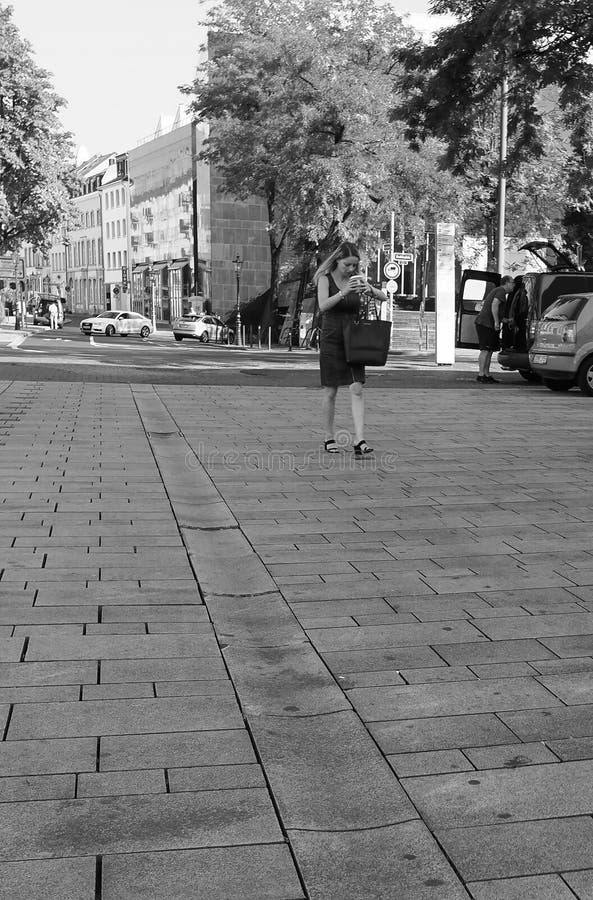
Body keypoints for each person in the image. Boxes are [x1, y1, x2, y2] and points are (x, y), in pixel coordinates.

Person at [314, 241, 387, 457]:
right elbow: (323, 306)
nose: (351, 269)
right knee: (331, 389)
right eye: (347, 265)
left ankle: (359, 439)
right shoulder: (325, 279)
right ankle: (328, 436)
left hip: (354, 338)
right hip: (331, 337)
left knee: (356, 387)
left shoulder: (357, 279)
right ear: (337, 260)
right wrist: (344, 292)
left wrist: (369, 288)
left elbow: (383, 297)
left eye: (354, 265)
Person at [474, 275, 515, 383]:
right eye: (512, 283)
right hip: (485, 324)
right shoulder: (501, 291)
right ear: (506, 283)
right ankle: (481, 374)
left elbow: (496, 309)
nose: (514, 285)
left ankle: (486, 374)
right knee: (485, 350)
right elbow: (494, 305)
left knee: (490, 350)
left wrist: (505, 320)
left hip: (488, 323)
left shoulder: (499, 291)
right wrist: (497, 321)